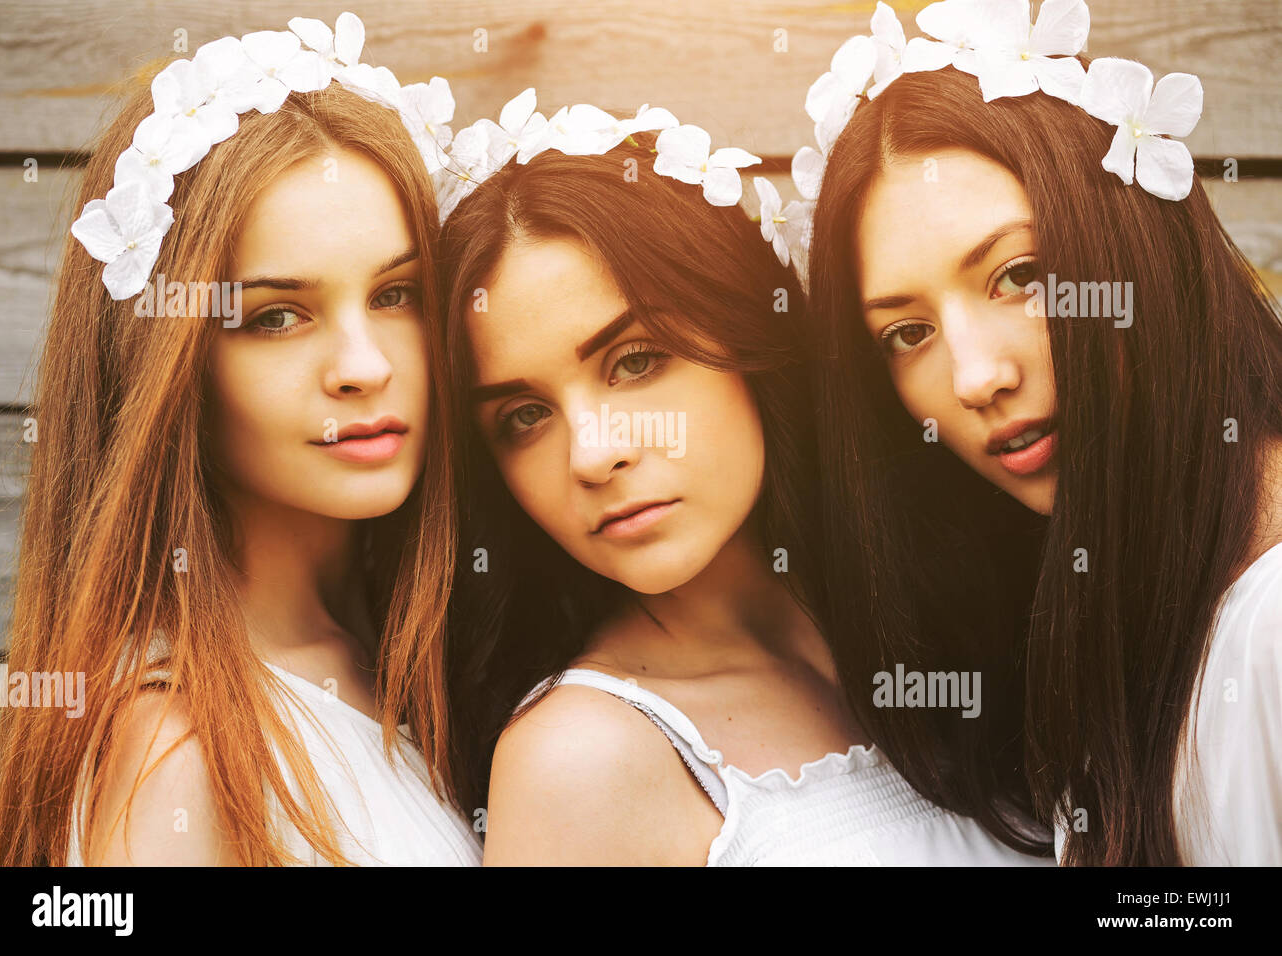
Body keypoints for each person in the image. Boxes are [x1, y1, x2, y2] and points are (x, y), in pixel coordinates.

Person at [435, 96, 1055, 864]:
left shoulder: (960, 613)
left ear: (748, 327)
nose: (593, 456)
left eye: (635, 362)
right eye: (524, 417)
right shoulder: (578, 762)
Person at [0, 16, 481, 866]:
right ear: (169, 364)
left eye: (396, 295)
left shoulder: (411, 658)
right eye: (276, 317)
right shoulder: (172, 747)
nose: (362, 367)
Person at [803, 0, 1282, 864]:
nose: (976, 378)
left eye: (1020, 274)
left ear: (1128, 238)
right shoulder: (1111, 601)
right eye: (907, 333)